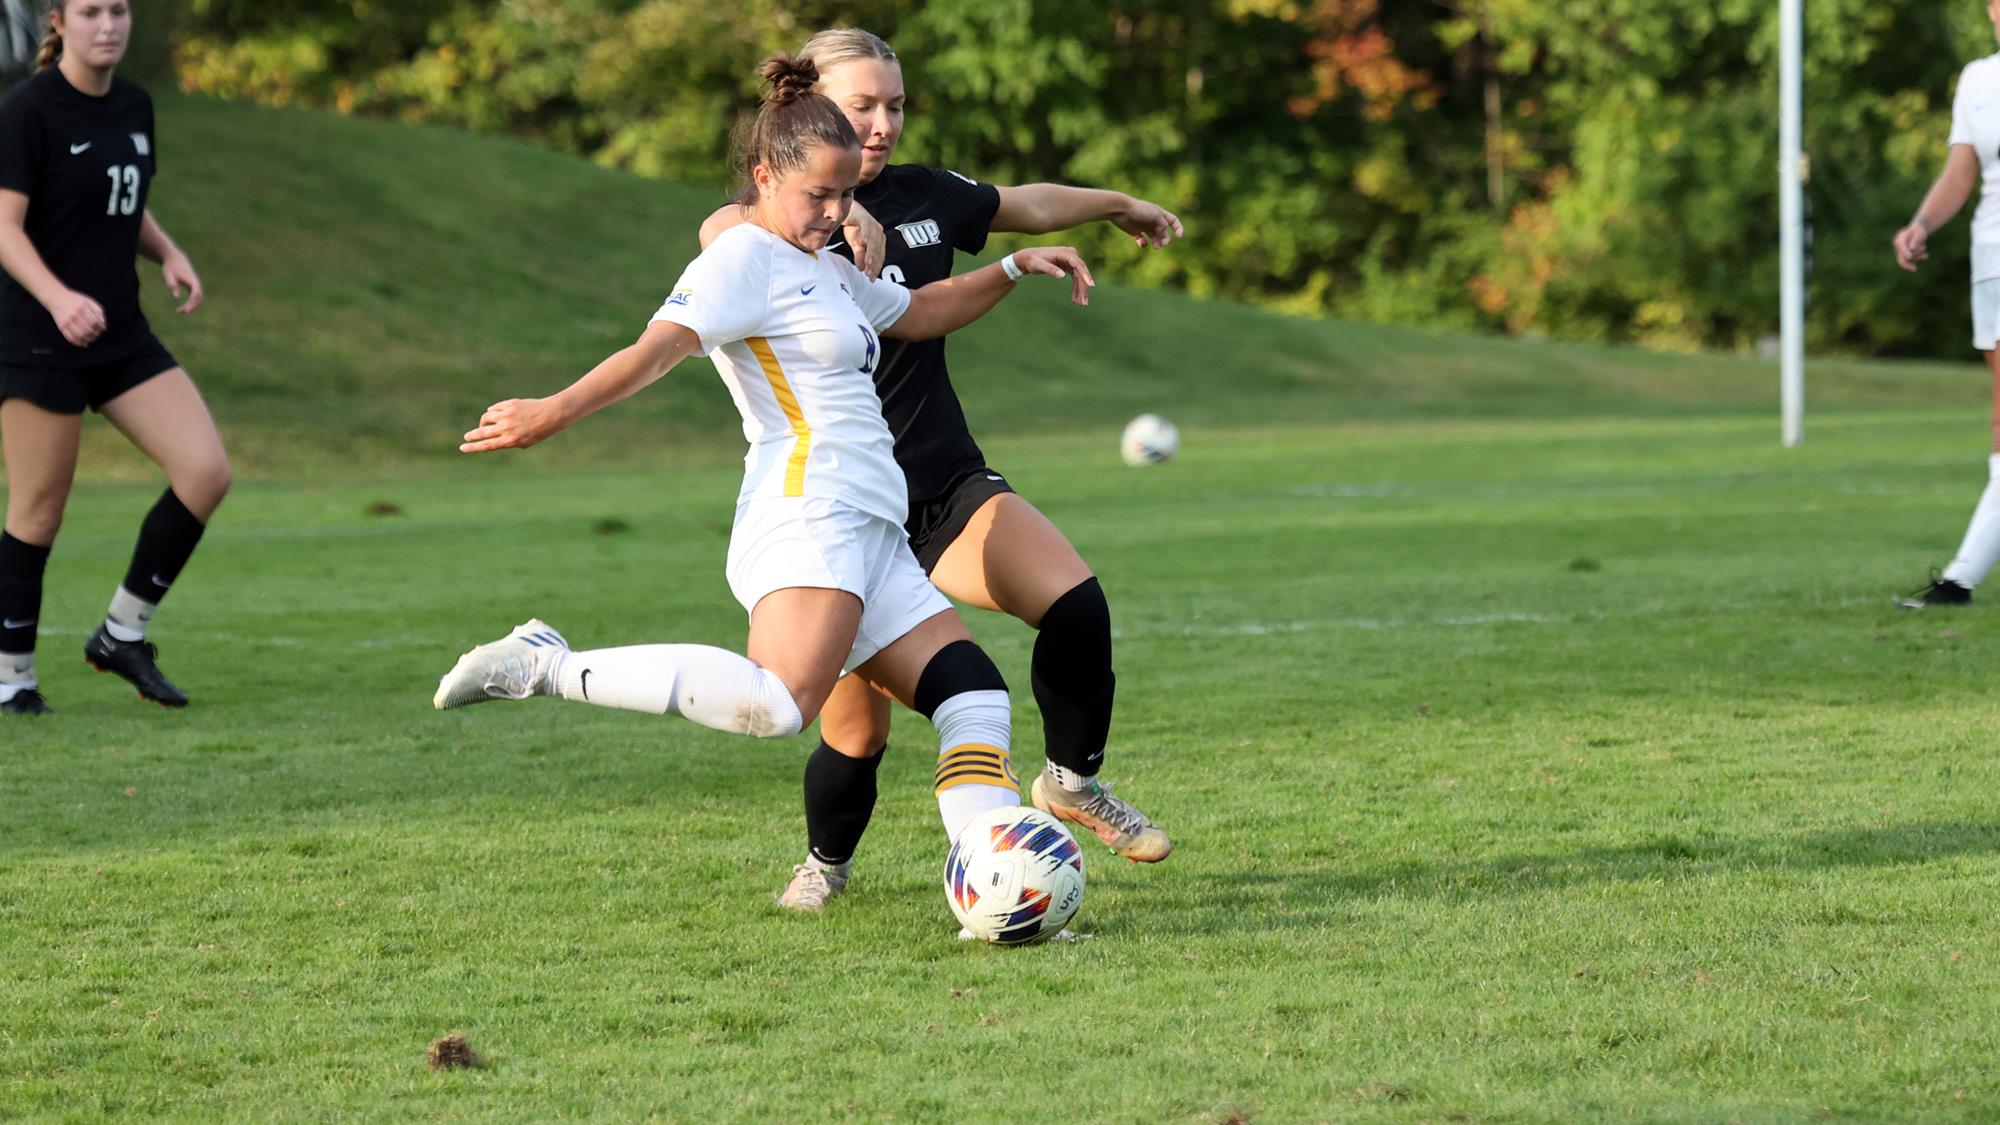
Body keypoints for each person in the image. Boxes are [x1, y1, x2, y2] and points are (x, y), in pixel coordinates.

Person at [433, 54, 1098, 854]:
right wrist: (555, 408)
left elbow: (917, 311)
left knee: (976, 698)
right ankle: (544, 664)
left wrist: (1012, 265)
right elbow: (657, 350)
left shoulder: (823, 267)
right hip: (808, 510)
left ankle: (995, 875)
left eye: (844, 193)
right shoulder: (740, 258)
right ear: (763, 175)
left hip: (873, 525)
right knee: (777, 705)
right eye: (817, 194)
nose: (833, 210)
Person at [698, 28, 1182, 909]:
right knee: (854, 736)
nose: (882, 124)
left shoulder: (926, 196)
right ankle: (827, 864)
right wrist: (843, 211)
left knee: (1076, 604)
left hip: (942, 487)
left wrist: (1117, 203)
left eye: (896, 105)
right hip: (837, 515)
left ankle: (1070, 783)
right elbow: (718, 228)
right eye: (861, 106)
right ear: (807, 108)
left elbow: (1024, 202)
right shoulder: (769, 219)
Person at [0, 0, 230, 715]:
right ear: (58, 21)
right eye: (92, 11)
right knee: (38, 511)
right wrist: (59, 297)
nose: (110, 24)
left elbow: (123, 196)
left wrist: (167, 251)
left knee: (205, 471)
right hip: (40, 336)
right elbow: (3, 226)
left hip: (120, 333)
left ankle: (121, 634)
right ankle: (11, 678)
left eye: (120, 10)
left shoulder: (134, 104)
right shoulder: (28, 110)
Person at [1896, 3, 2000, 609]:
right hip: (1992, 267)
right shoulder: (1978, 78)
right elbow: (1961, 172)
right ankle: (1961, 577)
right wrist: (1920, 224)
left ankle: (1961, 577)